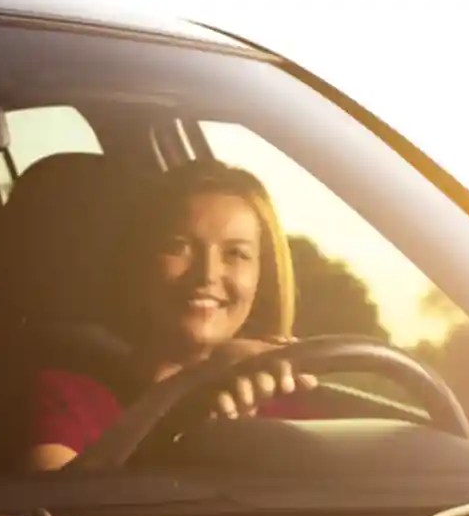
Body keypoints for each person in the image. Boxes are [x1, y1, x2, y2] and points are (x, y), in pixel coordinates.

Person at [28, 161, 318, 471]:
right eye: (178, 246)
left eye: (236, 254)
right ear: (136, 262)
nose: (207, 274)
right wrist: (201, 383)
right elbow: (60, 507)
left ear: (263, 276)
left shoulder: (291, 404)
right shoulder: (68, 398)